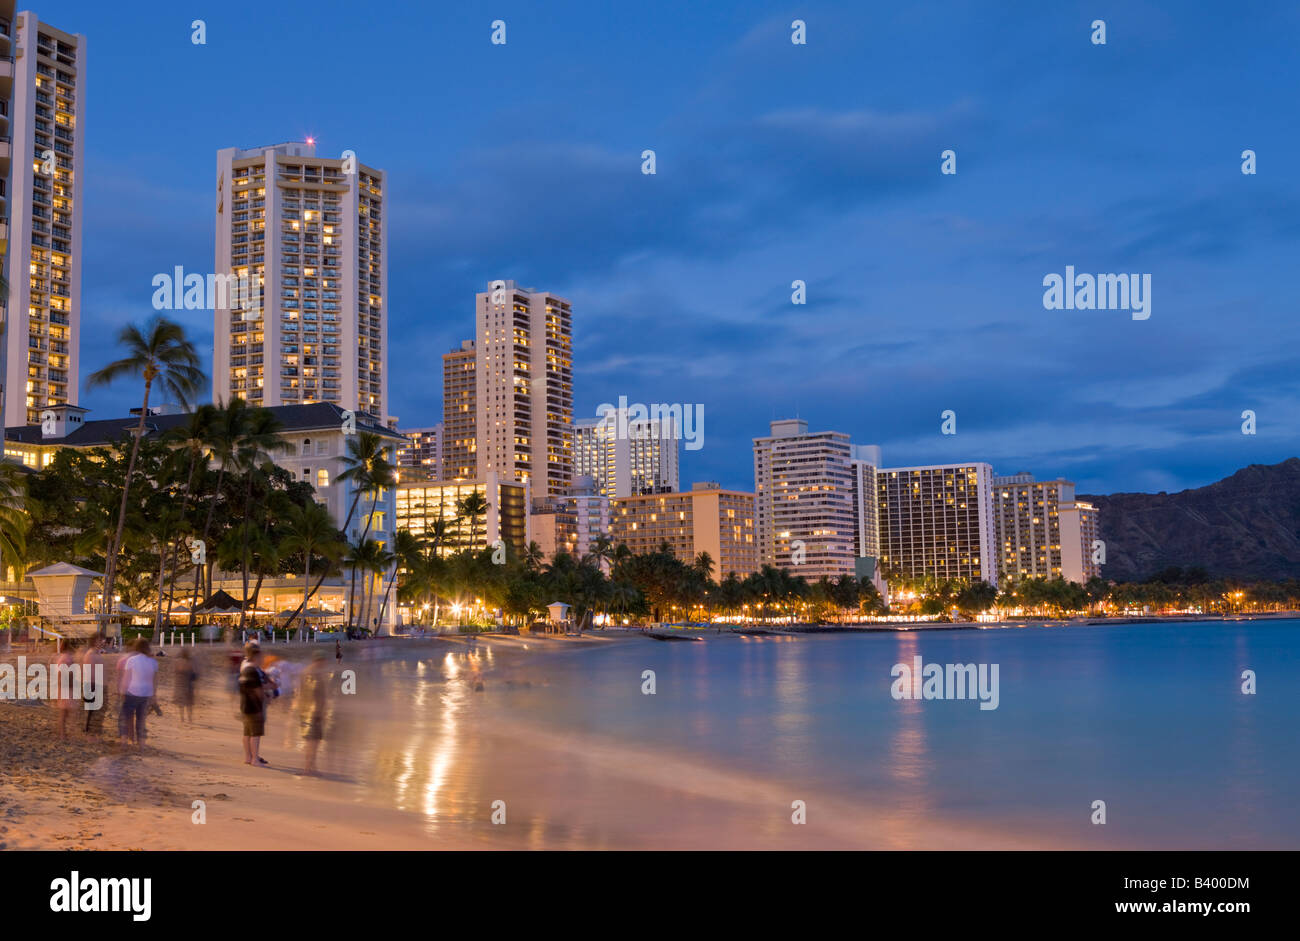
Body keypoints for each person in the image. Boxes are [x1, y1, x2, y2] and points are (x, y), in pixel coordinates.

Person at [238, 641, 276, 766]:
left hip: (245, 703)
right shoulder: (251, 669)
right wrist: (266, 696)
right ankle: (254, 758)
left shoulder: (247, 666)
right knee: (255, 732)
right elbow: (257, 687)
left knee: (248, 731)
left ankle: (249, 757)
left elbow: (259, 681)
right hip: (254, 705)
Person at [118, 638, 158, 747]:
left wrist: (122, 691)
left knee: (125, 717)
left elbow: (127, 678)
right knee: (141, 719)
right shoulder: (153, 662)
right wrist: (154, 696)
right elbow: (154, 681)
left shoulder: (132, 660)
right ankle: (141, 744)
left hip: (132, 692)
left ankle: (124, 741)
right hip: (146, 694)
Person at [297, 652, 328, 774]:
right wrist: (321, 712)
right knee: (313, 741)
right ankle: (309, 768)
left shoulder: (305, 672)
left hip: (304, 710)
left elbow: (300, 692)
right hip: (314, 712)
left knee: (310, 741)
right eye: (323, 661)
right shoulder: (316, 675)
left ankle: (310, 767)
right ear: (319, 661)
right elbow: (318, 696)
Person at [53, 639, 78, 740]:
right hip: (66, 686)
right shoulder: (66, 658)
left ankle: (63, 733)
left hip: (65, 686)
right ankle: (63, 734)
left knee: (65, 712)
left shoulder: (63, 658)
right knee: (64, 713)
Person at [174, 647, 198, 724]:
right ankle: (190, 718)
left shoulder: (178, 662)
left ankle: (182, 718)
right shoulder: (190, 662)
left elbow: (175, 673)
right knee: (189, 703)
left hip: (180, 684)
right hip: (188, 685)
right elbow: (194, 675)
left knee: (181, 703)